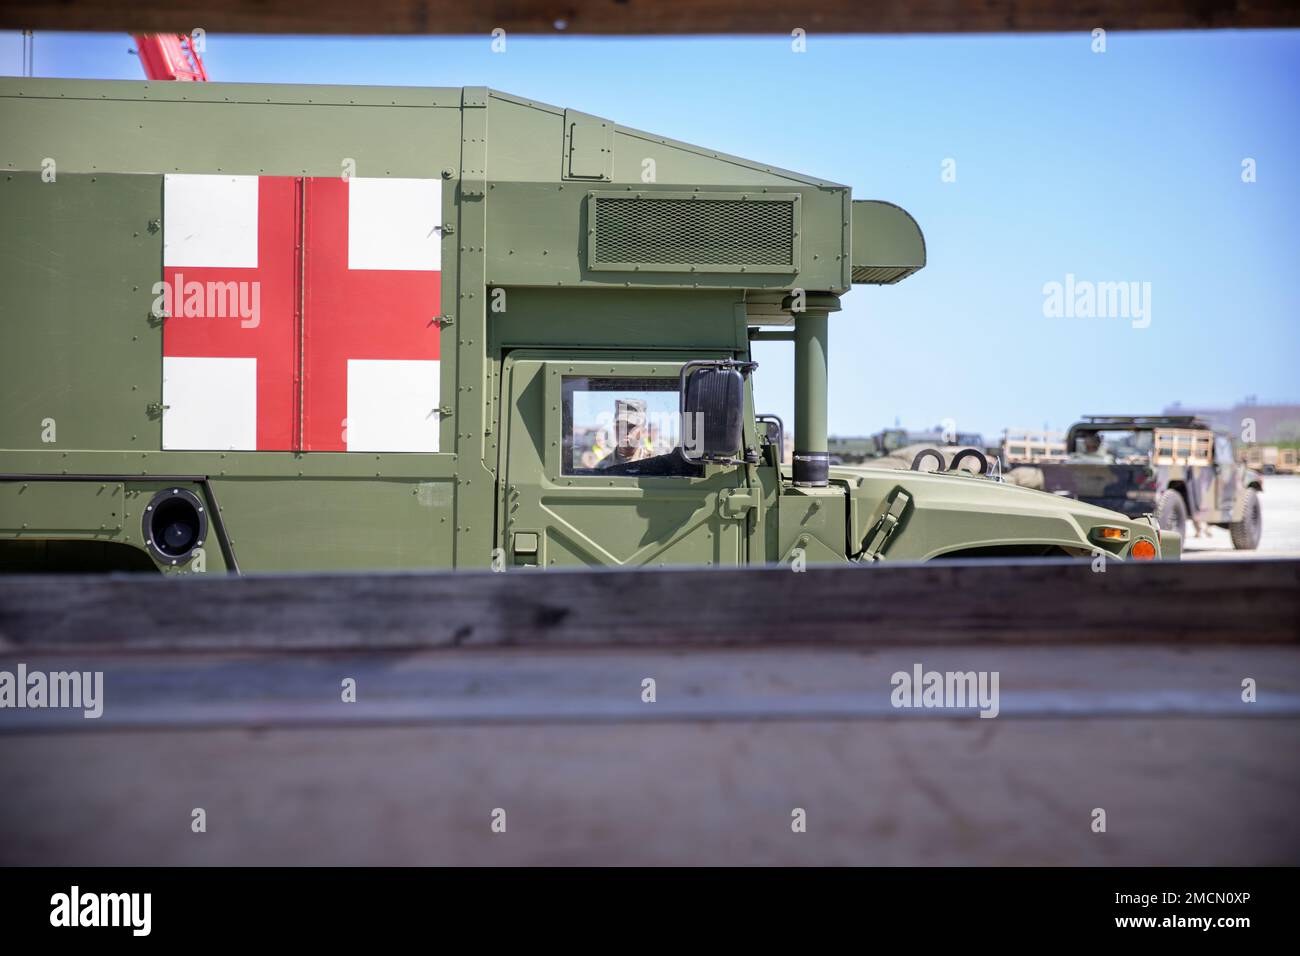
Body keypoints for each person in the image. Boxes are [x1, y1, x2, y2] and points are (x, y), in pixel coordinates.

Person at [598, 398, 653, 468]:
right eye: (621, 425)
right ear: (614, 429)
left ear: (643, 431)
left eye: (631, 426)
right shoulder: (601, 467)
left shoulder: (654, 464)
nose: (624, 431)